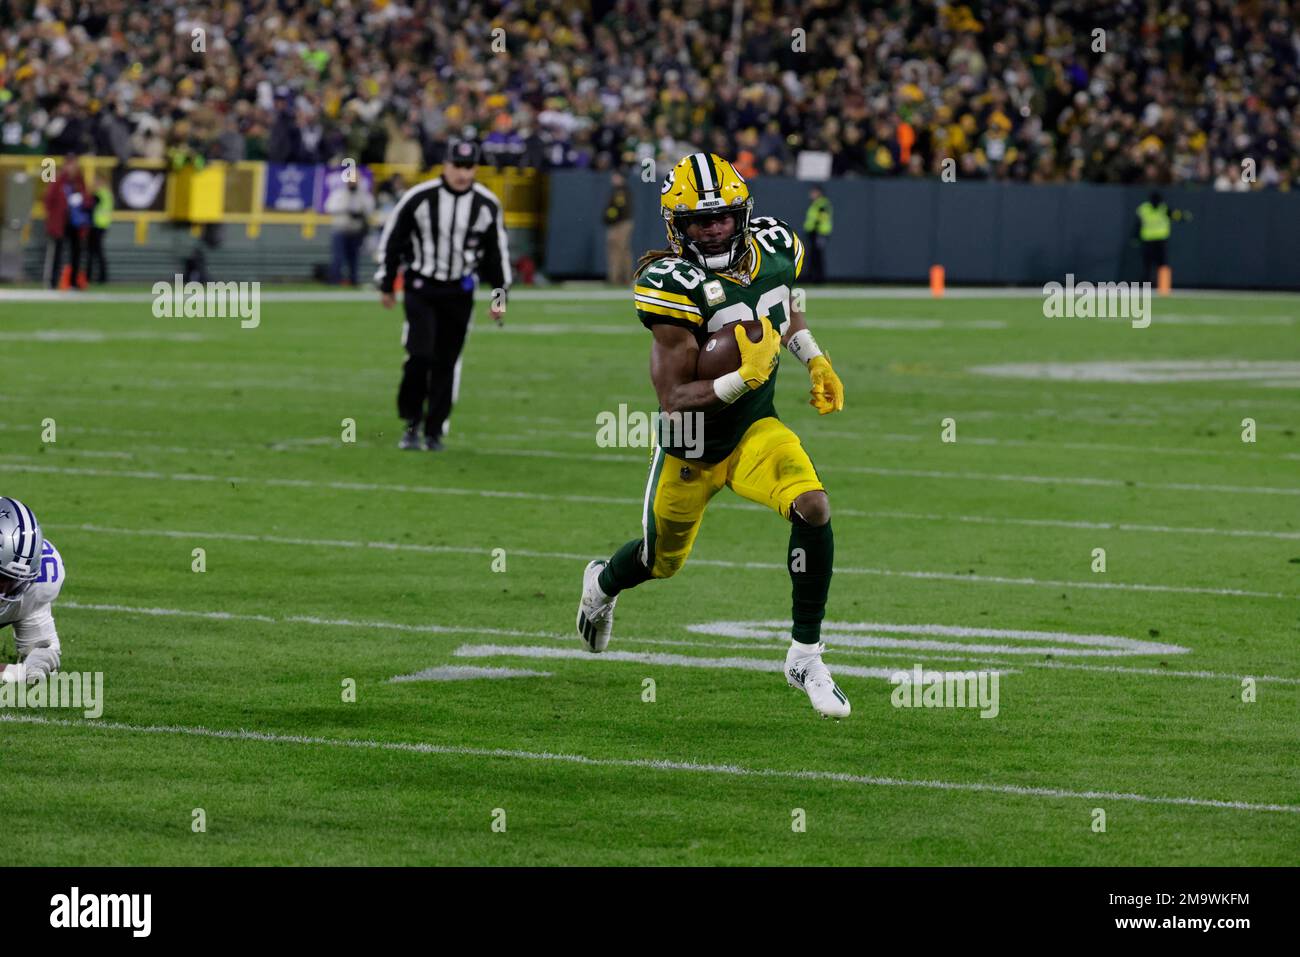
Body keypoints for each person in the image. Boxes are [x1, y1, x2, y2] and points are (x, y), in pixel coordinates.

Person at [574, 152, 850, 719]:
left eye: (722, 217)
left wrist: (815, 359)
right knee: (660, 561)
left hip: (755, 429)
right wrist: (741, 376)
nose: (713, 228)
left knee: (813, 506)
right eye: (699, 222)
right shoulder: (669, 284)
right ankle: (602, 584)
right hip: (692, 445)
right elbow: (673, 398)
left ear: (742, 213)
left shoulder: (775, 247)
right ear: (678, 227)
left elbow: (783, 310)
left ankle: (806, 655)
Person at [375, 139, 511, 451]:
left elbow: (496, 255)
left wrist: (499, 297)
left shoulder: (486, 204)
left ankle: (434, 430)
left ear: (476, 168)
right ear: (445, 165)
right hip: (422, 286)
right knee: (420, 355)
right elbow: (393, 239)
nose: (462, 174)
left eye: (469, 167)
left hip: (458, 291)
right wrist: (386, 284)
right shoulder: (419, 197)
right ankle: (411, 422)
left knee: (447, 362)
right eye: (457, 166)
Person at [0, 496, 65, 685]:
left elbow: (46, 654)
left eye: (11, 582)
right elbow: (19, 674)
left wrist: (39, 661)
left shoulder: (38, 585)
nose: (3, 591)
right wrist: (13, 673)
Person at [42, 154, 90, 290]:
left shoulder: (79, 181)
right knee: (57, 252)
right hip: (60, 222)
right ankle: (52, 281)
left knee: (76, 252)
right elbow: (48, 200)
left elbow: (87, 199)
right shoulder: (57, 180)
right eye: (70, 164)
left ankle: (73, 283)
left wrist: (82, 200)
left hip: (76, 223)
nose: (72, 168)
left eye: (74, 164)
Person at [327, 176, 375, 286]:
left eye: (354, 181)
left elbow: (370, 209)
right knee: (338, 257)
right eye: (350, 182)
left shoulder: (364, 195)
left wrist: (360, 212)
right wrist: (346, 209)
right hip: (340, 229)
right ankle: (335, 280)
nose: (352, 184)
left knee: (354, 258)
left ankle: (354, 280)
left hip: (355, 230)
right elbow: (329, 207)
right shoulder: (339, 193)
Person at [1135, 190, 1171, 284]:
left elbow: (1174, 215)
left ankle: (1164, 287)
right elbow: (1137, 224)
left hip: (1160, 241)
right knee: (1147, 264)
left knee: (1162, 264)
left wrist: (1181, 216)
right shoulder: (1144, 209)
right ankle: (1146, 286)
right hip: (1148, 241)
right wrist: (1135, 237)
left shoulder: (1164, 208)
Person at [604, 170, 633, 285]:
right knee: (618, 251)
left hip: (621, 224)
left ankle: (621, 278)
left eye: (616, 177)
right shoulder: (616, 190)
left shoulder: (621, 191)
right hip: (617, 223)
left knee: (620, 251)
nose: (613, 179)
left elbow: (619, 209)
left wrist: (610, 216)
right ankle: (618, 278)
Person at [802, 186, 833, 284]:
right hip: (813, 232)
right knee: (813, 256)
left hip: (819, 233)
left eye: (813, 192)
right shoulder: (816, 204)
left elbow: (822, 218)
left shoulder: (822, 204)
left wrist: (816, 229)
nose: (811, 194)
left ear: (819, 193)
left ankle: (818, 278)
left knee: (817, 256)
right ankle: (813, 277)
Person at [87, 174, 113, 284]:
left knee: (94, 252)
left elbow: (89, 205)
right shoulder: (108, 194)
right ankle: (101, 276)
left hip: (97, 225)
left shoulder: (99, 194)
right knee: (97, 252)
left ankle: (95, 276)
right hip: (103, 225)